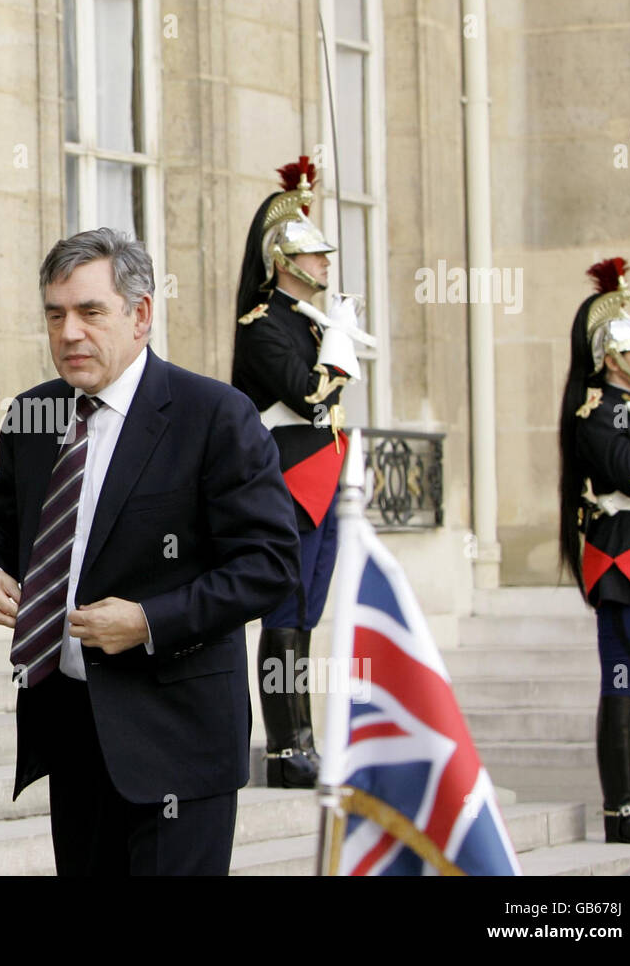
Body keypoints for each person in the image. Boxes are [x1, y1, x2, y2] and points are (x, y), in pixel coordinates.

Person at [0, 228, 300, 875]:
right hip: (74, 735)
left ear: (141, 315)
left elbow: (270, 567)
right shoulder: (32, 417)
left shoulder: (215, 416)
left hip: (180, 740)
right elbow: (0, 529)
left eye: (91, 312)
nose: (69, 333)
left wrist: (149, 622)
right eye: (55, 314)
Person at [231, 157, 367, 788]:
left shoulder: (308, 324)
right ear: (283, 261)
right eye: (314, 257)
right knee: (284, 611)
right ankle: (287, 749)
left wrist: (333, 333)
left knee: (306, 613)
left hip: (323, 477)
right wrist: (337, 342)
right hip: (289, 481)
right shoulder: (264, 324)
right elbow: (310, 395)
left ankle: (305, 740)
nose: (324, 264)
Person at [558, 258, 630, 845]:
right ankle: (621, 810)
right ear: (611, 359)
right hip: (626, 562)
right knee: (624, 680)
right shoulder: (597, 413)